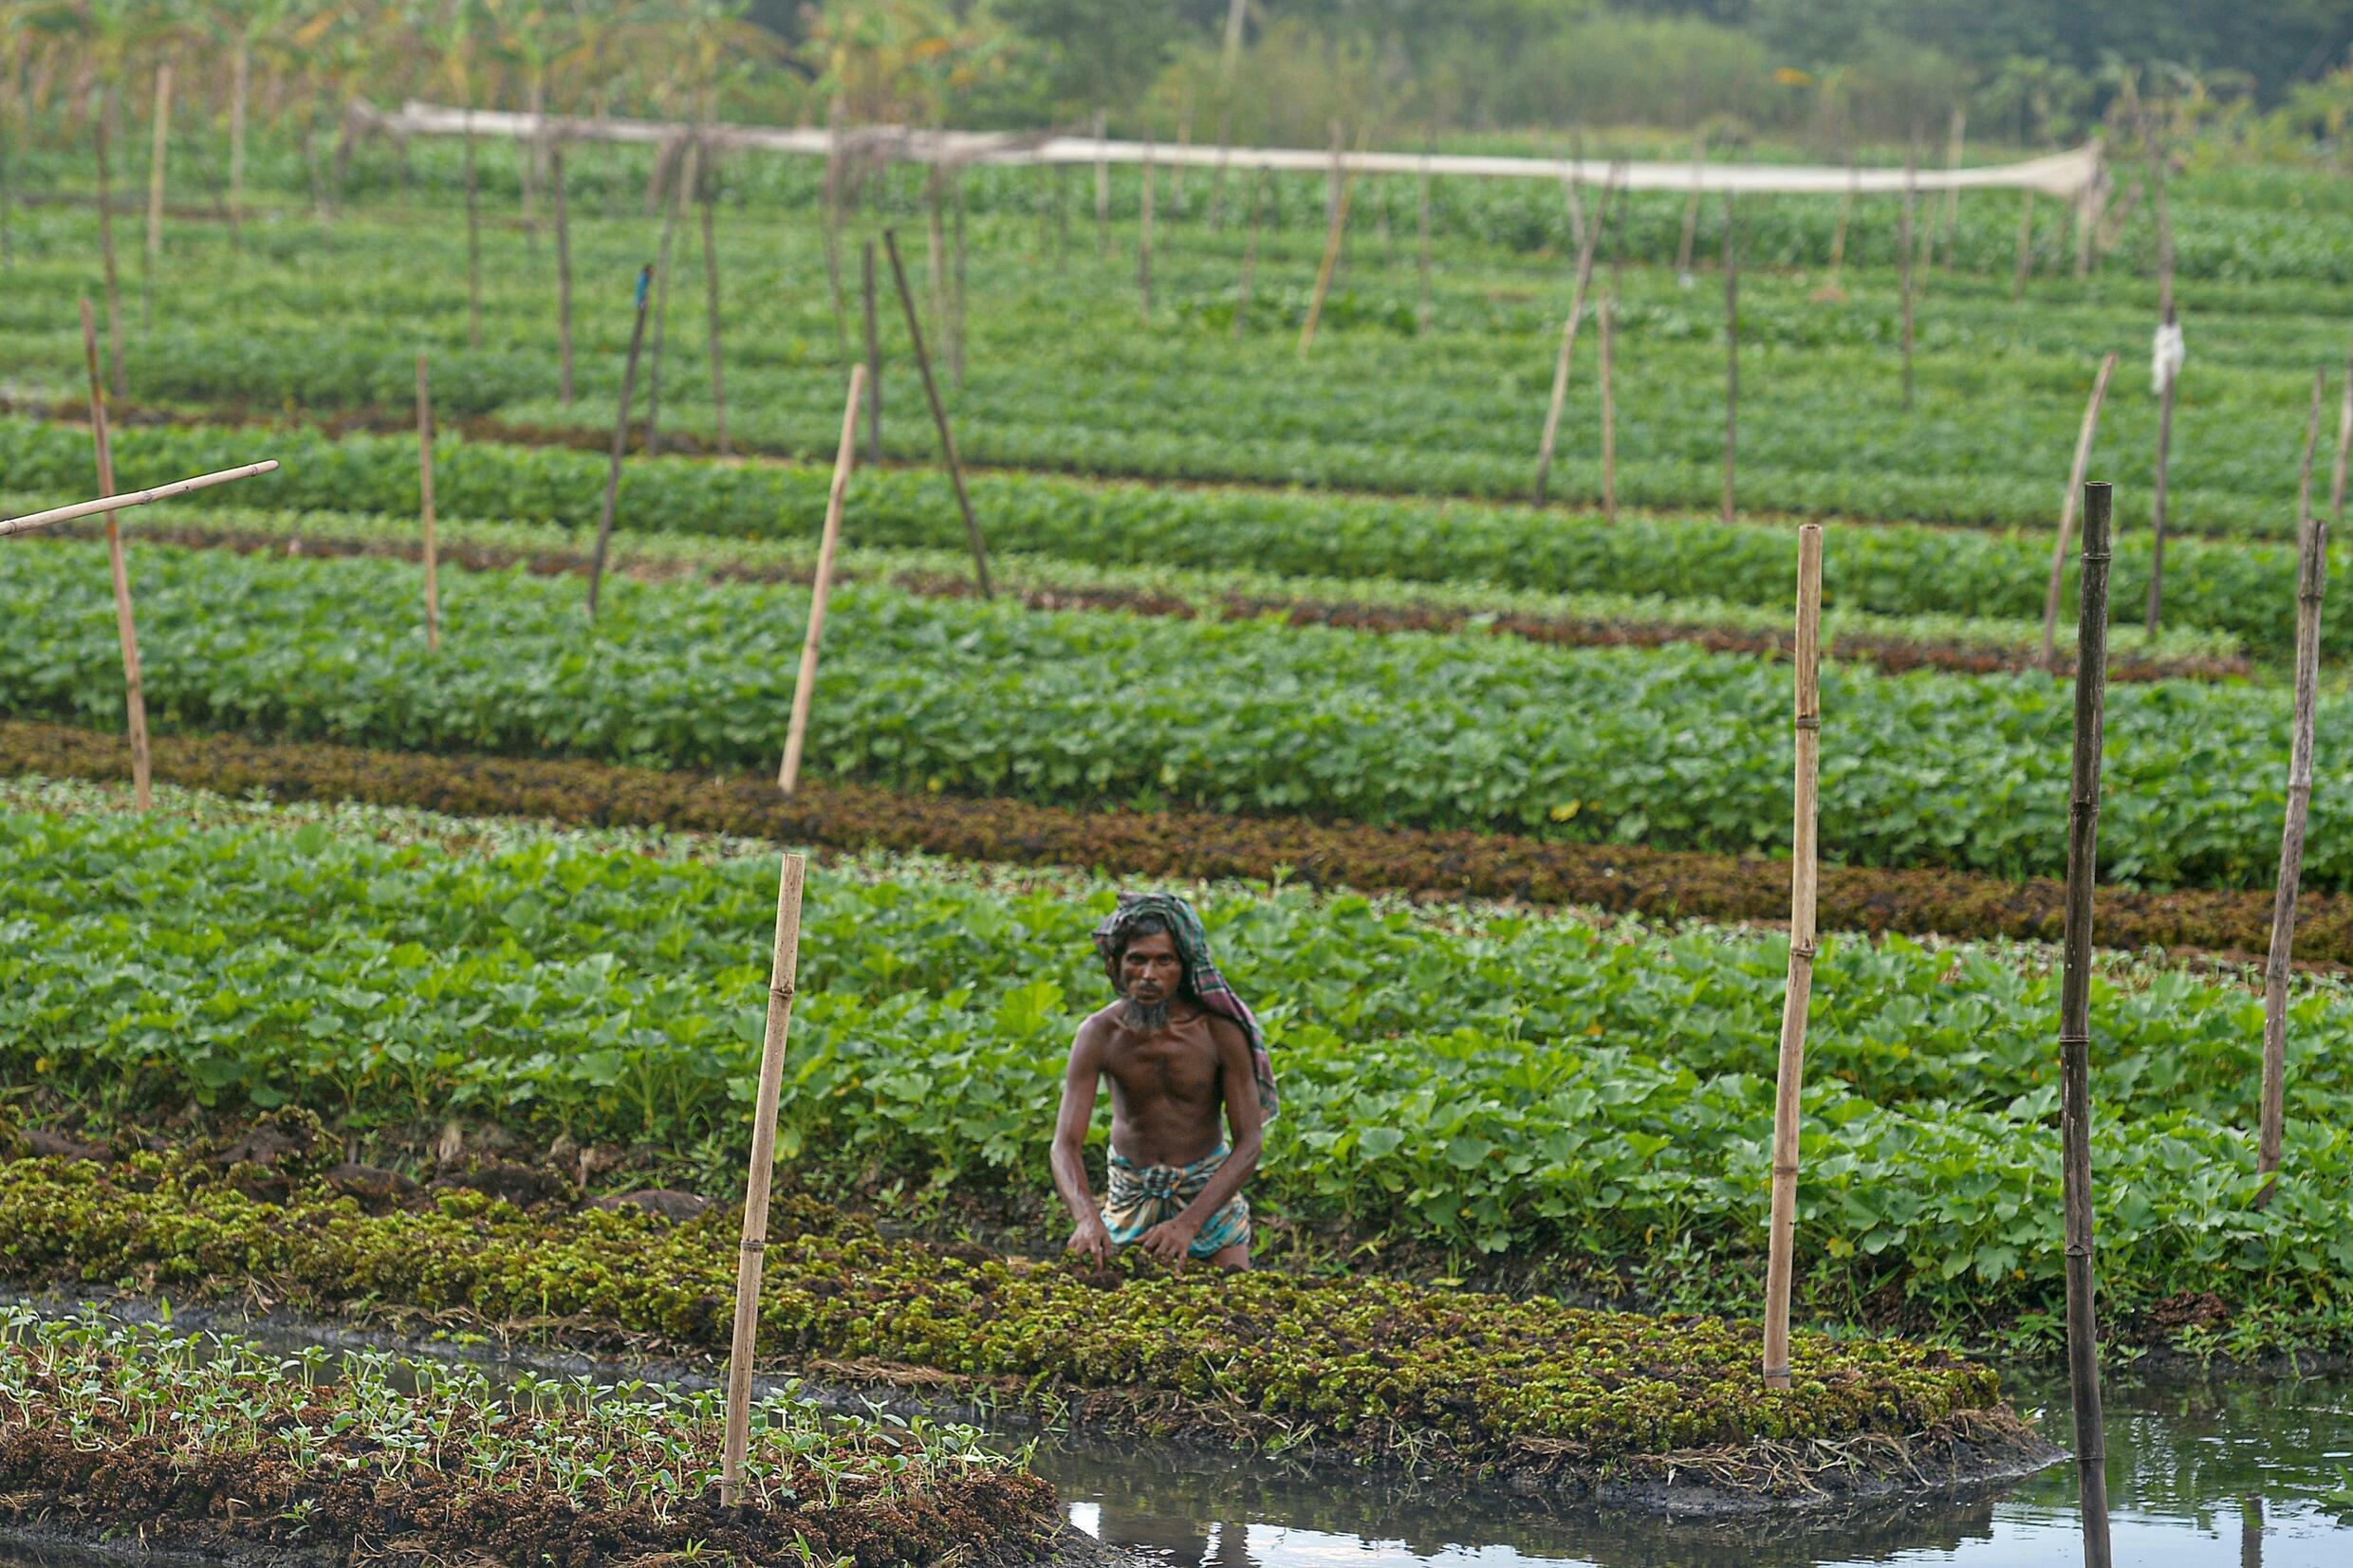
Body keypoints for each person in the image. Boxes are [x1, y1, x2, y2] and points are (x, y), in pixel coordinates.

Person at [1050, 893, 1277, 1271]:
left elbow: (1250, 1141)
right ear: (1116, 966)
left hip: (1205, 1194)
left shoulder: (1219, 1033)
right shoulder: (1099, 1035)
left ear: (1184, 966)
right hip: (1130, 1194)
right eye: (1137, 960)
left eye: (1164, 961)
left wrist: (1188, 1223)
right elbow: (1065, 1144)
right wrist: (1086, 1218)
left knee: (1235, 1304)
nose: (1149, 975)